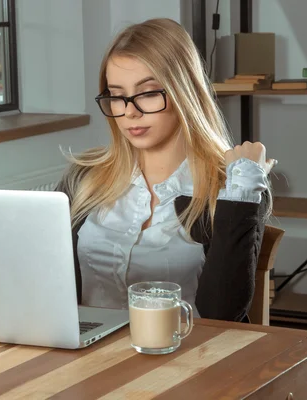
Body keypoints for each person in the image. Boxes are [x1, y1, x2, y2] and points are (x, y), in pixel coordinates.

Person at [55, 18, 275, 322]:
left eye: (147, 93)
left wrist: (245, 185)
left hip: (187, 358)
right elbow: (45, 286)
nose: (129, 111)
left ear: (184, 92)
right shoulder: (85, 179)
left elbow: (223, 313)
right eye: (117, 96)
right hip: (89, 359)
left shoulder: (231, 188)